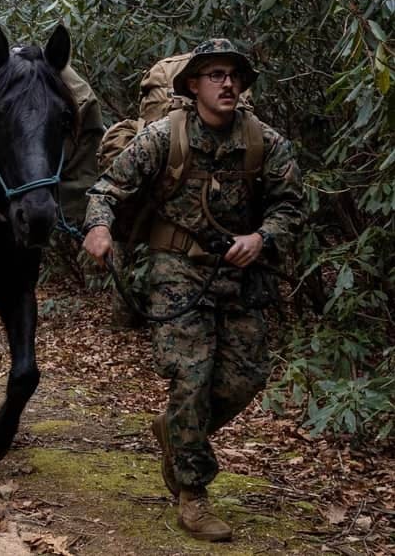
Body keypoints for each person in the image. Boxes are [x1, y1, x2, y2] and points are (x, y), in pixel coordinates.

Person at [82, 39, 304, 542]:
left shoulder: (265, 143)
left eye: (234, 76)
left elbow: (291, 207)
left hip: (240, 272)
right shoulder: (164, 138)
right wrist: (97, 228)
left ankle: (177, 432)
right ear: (192, 86)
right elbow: (104, 192)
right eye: (215, 75)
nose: (227, 83)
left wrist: (261, 237)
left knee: (246, 377)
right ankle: (193, 493)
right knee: (191, 375)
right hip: (175, 268)